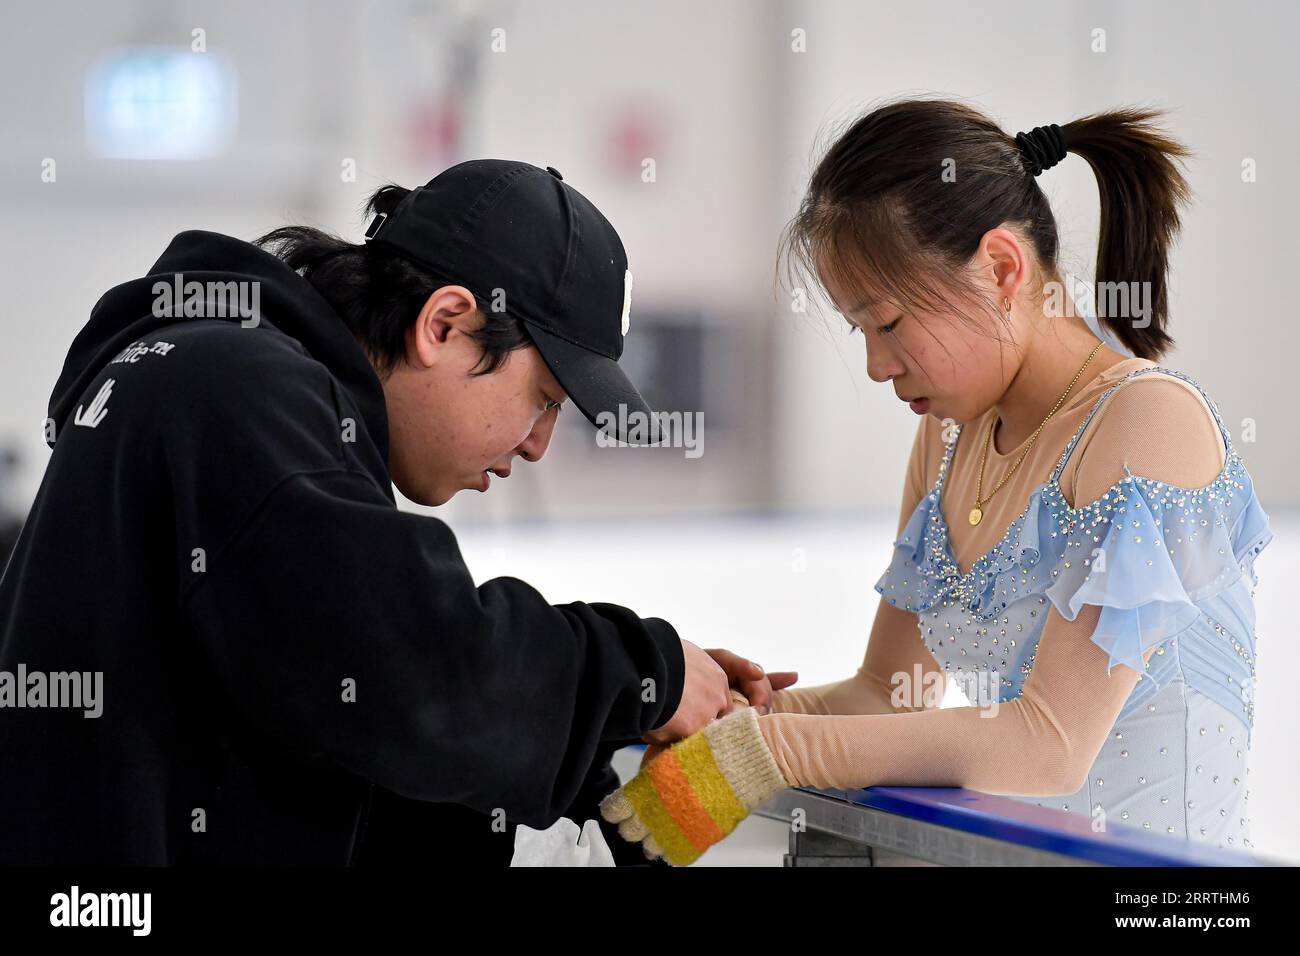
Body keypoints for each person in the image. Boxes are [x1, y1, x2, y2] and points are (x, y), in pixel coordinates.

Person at [0, 159, 789, 866]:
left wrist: (601, 747)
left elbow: (338, 729)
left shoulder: (216, 372)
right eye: (543, 399)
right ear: (442, 324)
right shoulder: (246, 394)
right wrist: (641, 671)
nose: (539, 445)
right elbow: (417, 676)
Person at [601, 101, 1274, 866]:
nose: (876, 365)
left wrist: (771, 751)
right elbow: (887, 693)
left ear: (1000, 268)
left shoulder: (1146, 422)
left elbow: (1050, 744)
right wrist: (721, 718)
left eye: (887, 324)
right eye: (861, 332)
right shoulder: (948, 436)